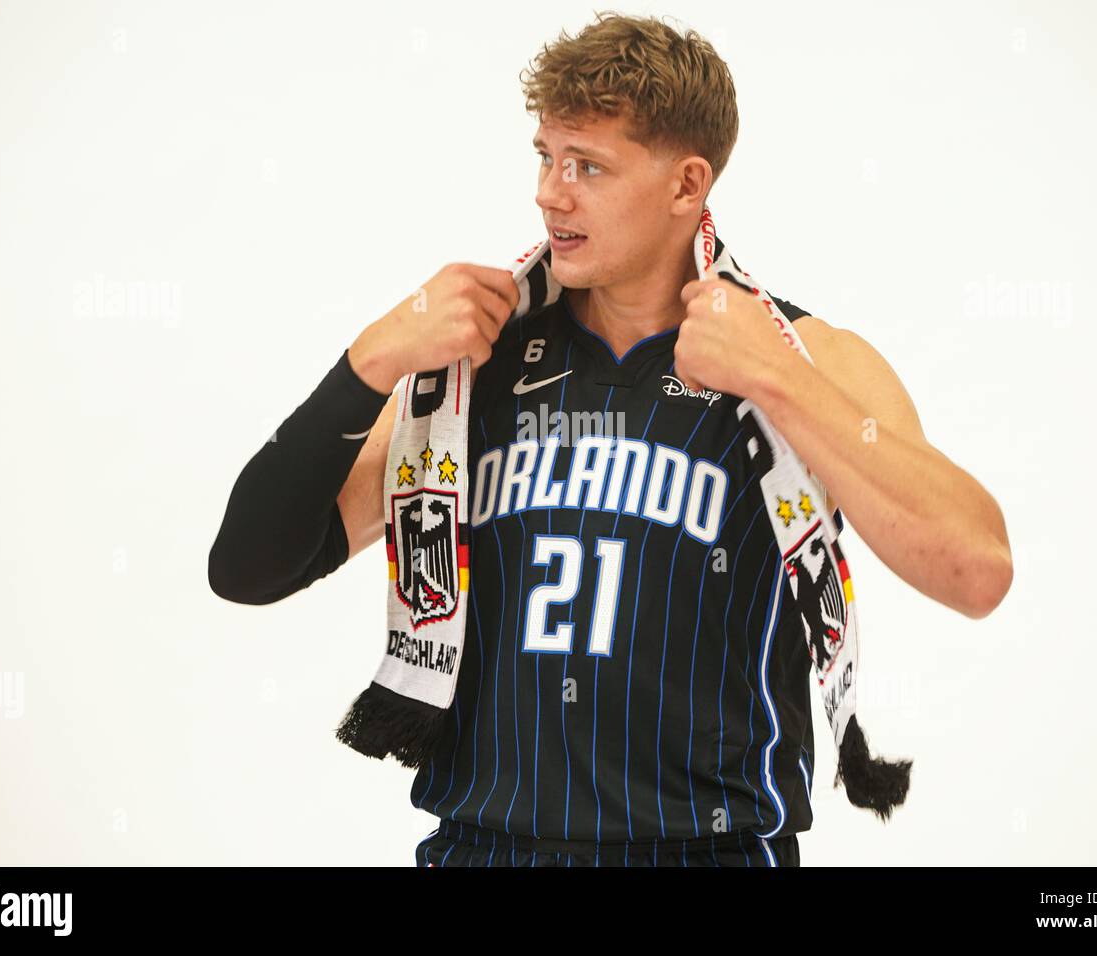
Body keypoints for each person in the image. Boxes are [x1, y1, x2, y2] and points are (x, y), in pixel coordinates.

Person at [208, 12, 1012, 867]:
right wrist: (368, 362)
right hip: (484, 849)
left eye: (588, 166)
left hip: (705, 853)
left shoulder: (806, 358)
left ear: (685, 185)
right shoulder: (471, 367)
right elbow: (248, 567)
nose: (552, 192)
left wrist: (777, 378)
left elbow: (976, 569)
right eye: (546, 157)